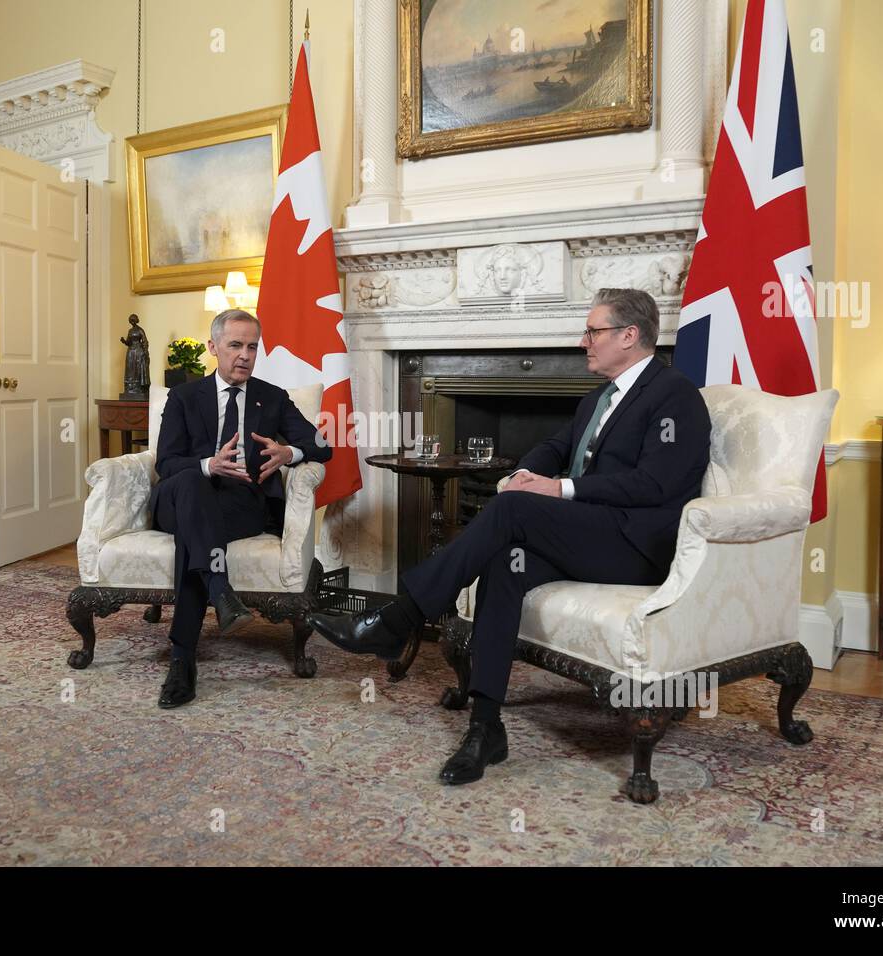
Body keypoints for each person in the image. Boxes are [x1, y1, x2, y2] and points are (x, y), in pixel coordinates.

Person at [309, 288, 711, 784]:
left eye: (593, 331)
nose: (583, 340)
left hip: (638, 545)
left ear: (629, 336)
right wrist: (526, 472)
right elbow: (552, 446)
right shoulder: (598, 399)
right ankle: (485, 726)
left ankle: (402, 616)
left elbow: (657, 484)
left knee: (515, 511)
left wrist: (558, 487)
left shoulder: (675, 394)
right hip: (591, 537)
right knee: (506, 560)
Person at [152, 309, 331, 709]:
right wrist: (208, 465)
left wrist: (290, 452)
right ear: (214, 348)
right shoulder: (183, 397)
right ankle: (219, 589)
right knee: (192, 483)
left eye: (252, 347)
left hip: (239, 505)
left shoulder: (273, 398)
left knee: (194, 536)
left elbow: (322, 446)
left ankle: (183, 660)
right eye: (235, 345)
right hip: (180, 497)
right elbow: (166, 462)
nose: (245, 355)